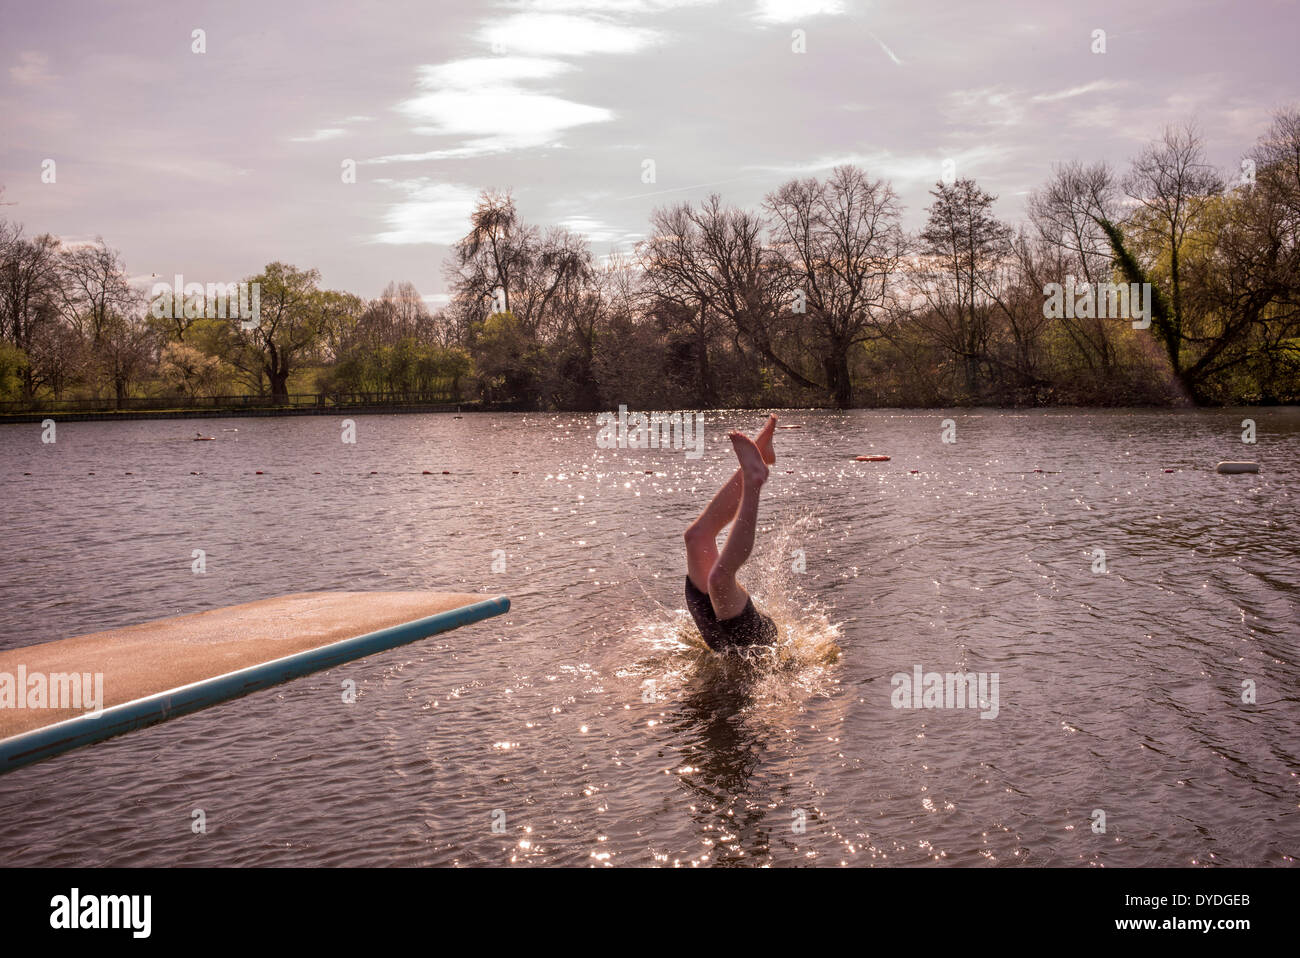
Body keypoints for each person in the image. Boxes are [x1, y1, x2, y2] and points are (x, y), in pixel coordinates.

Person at [682, 415, 779, 651]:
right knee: (718, 579)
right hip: (755, 638)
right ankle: (756, 466)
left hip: (739, 640)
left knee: (696, 539)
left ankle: (754, 477)